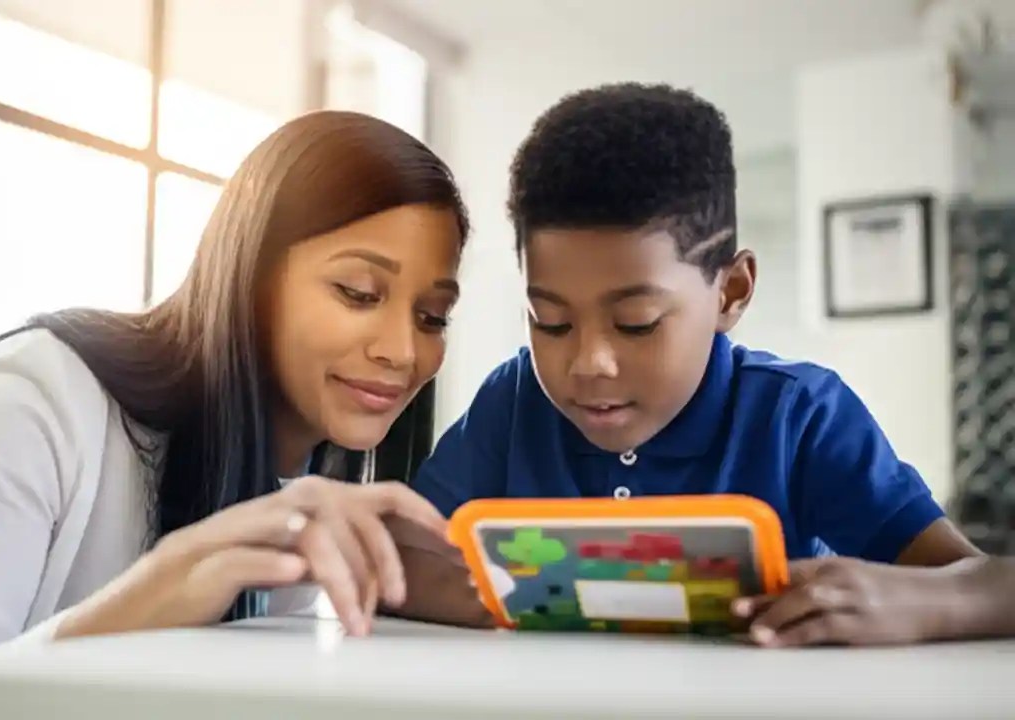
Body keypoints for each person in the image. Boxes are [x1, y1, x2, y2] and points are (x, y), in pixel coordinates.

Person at [0, 111, 469, 720]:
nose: (403, 351)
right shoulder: (40, 395)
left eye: (432, 316)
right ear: (252, 273)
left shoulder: (318, 481)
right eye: (358, 292)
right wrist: (148, 601)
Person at [397, 83, 987, 645]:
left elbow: (987, 581)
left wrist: (920, 601)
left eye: (636, 323)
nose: (589, 364)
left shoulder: (797, 417)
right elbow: (399, 559)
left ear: (731, 292)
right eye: (550, 322)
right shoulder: (514, 401)